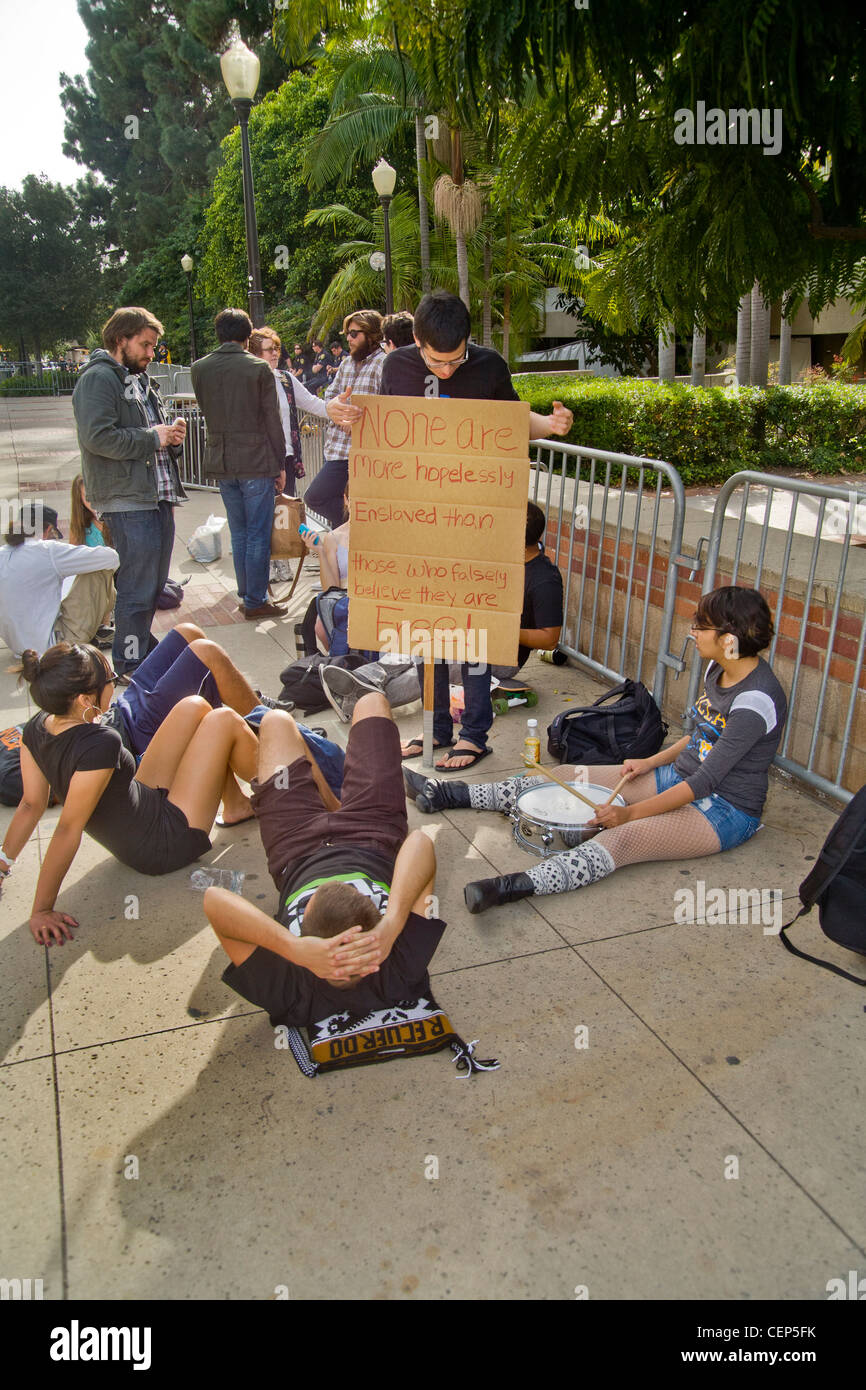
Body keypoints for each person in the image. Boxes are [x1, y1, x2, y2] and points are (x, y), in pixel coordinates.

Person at [403, 586, 788, 914]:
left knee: (620, 839)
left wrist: (629, 813)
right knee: (562, 777)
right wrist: (648, 762)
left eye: (701, 627)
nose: (692, 633)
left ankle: (514, 886)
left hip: (724, 809)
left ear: (728, 638)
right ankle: (447, 793)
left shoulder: (755, 702)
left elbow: (706, 781)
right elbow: (702, 734)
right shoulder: (718, 669)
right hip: (680, 776)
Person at [380, 290, 573, 771]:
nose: (446, 370)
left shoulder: (489, 366)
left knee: (473, 632)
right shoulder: (396, 368)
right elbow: (384, 429)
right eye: (435, 361)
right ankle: (435, 727)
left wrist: (549, 424)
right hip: (420, 521)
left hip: (479, 521)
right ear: (417, 342)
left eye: (455, 359)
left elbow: (510, 422)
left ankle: (474, 733)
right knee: (428, 630)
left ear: (469, 341)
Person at [203, 692, 446, 1025]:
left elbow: (214, 901)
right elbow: (419, 843)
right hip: (373, 833)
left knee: (276, 722)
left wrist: (292, 949)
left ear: (303, 926)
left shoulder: (293, 990)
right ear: (373, 915)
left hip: (295, 845)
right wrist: (391, 927)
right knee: (371, 702)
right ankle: (332, 801)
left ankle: (323, 796)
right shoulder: (399, 966)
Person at [1, 642, 259, 945]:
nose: (115, 687)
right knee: (224, 720)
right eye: (110, 681)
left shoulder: (37, 726)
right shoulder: (100, 743)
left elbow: (31, 804)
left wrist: (2, 865)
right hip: (162, 842)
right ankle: (284, 783)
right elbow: (68, 829)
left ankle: (238, 804)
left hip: (139, 807)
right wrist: (41, 909)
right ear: (85, 699)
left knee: (195, 706)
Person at [71, 307, 187, 677]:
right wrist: (154, 437)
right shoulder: (98, 379)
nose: (152, 353)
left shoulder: (136, 378)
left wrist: (171, 438)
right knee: (137, 588)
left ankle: (135, 649)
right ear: (120, 339)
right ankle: (128, 661)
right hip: (128, 500)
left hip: (153, 496)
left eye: (153, 346)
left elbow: (149, 435)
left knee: (152, 586)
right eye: (145, 345)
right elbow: (98, 437)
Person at [190, 309, 287, 621]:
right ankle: (255, 599)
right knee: (257, 532)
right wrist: (280, 461)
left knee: (240, 529)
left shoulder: (199, 368)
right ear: (248, 337)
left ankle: (248, 594)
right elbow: (271, 419)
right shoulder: (258, 368)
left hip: (221, 458)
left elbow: (206, 409)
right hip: (255, 460)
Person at [246, 328, 355, 499]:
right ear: (254, 353)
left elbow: (312, 403)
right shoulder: (247, 382)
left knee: (284, 517)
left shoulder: (285, 378)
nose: (275, 353)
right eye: (269, 349)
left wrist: (335, 410)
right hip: (258, 461)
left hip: (286, 458)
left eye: (276, 348)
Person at [0, 502, 118, 658]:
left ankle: (100, 627)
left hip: (19, 647)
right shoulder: (47, 550)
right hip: (54, 646)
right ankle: (103, 626)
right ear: (48, 530)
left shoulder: (2, 553)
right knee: (97, 569)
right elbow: (112, 558)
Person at [305, 310, 384, 527]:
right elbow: (330, 396)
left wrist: (360, 421)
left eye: (354, 333)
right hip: (335, 450)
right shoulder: (347, 363)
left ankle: (359, 529)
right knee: (331, 507)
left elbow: (389, 409)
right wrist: (337, 407)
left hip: (361, 454)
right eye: (347, 333)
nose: (348, 338)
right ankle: (352, 534)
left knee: (315, 497)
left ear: (372, 335)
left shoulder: (383, 364)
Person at [69, 474, 112, 548]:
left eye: (97, 494)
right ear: (80, 499)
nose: (94, 501)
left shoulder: (119, 518)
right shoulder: (79, 526)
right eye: (88, 497)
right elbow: (73, 556)